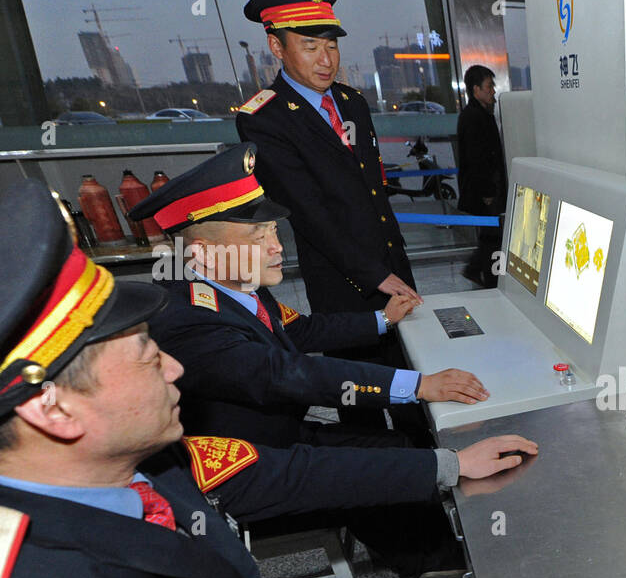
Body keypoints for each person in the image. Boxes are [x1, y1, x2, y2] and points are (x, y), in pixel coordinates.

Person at [0, 178, 608, 578]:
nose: (174, 368)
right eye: (151, 358)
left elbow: (289, 473)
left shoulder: (135, 455)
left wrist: (450, 464)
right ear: (54, 408)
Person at [133, 142, 488, 450]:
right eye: (258, 238)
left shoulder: (233, 283)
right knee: (415, 459)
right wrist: (419, 385)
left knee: (411, 445)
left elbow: (298, 330)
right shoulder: (187, 320)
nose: (277, 249)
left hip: (283, 433)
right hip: (262, 462)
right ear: (203, 254)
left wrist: (384, 318)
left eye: (274, 231)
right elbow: (286, 372)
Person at [235, 0, 423, 438]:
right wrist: (372, 274)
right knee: (359, 393)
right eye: (310, 46)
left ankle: (428, 469)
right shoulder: (265, 119)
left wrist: (391, 264)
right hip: (341, 280)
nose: (326, 59)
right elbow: (308, 211)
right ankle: (375, 489)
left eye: (332, 46)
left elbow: (372, 192)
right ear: (277, 48)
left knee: (412, 382)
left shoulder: (352, 101)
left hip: (390, 263)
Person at [456, 64, 507, 288]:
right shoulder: (474, 117)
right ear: (476, 89)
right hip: (486, 192)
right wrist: (488, 193)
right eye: (489, 87)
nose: (493, 91)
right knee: (492, 238)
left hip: (487, 189)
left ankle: (478, 271)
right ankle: (490, 279)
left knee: (490, 237)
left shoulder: (477, 114)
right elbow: (478, 159)